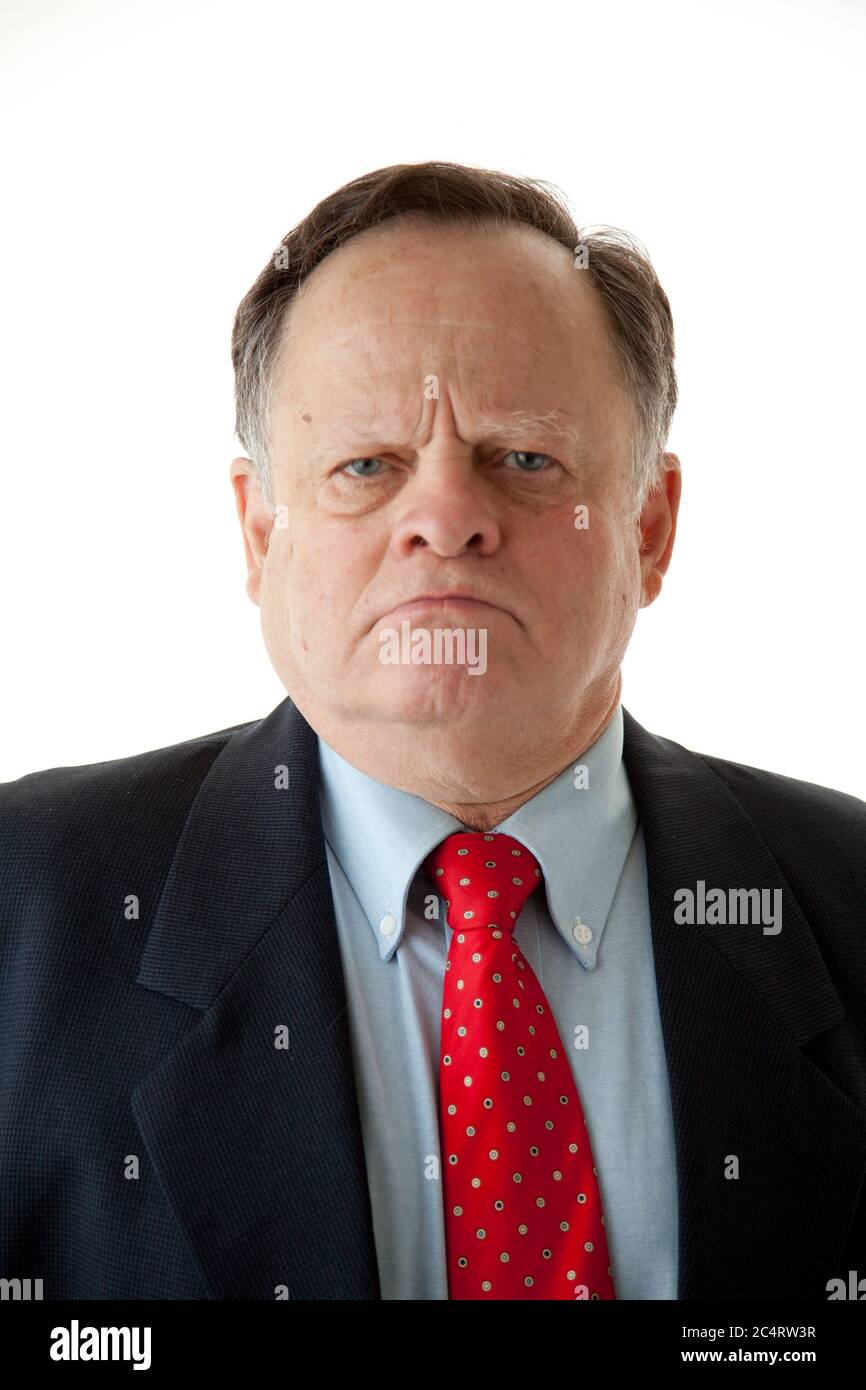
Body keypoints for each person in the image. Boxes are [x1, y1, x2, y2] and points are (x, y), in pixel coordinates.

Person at [2, 161, 864, 1302]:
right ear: (260, 533)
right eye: (367, 465)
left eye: (522, 460)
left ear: (648, 527)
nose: (445, 518)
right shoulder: (23, 904)